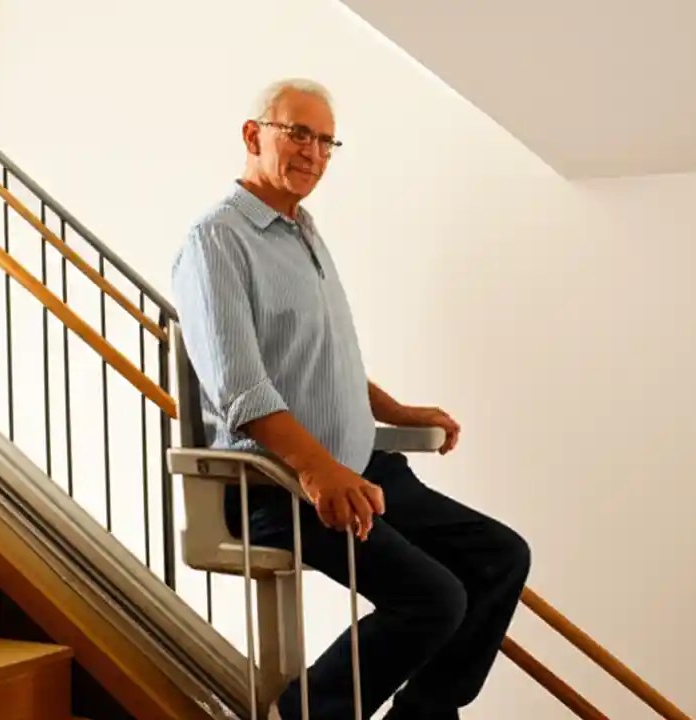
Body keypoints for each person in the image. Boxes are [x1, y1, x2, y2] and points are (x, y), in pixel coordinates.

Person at [171, 78, 531, 720]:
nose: (313, 152)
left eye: (325, 141)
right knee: (434, 600)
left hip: (358, 467)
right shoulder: (216, 241)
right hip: (276, 483)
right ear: (254, 135)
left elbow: (323, 359)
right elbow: (241, 389)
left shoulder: (303, 231)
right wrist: (317, 467)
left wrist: (395, 413)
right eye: (297, 133)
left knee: (500, 559)